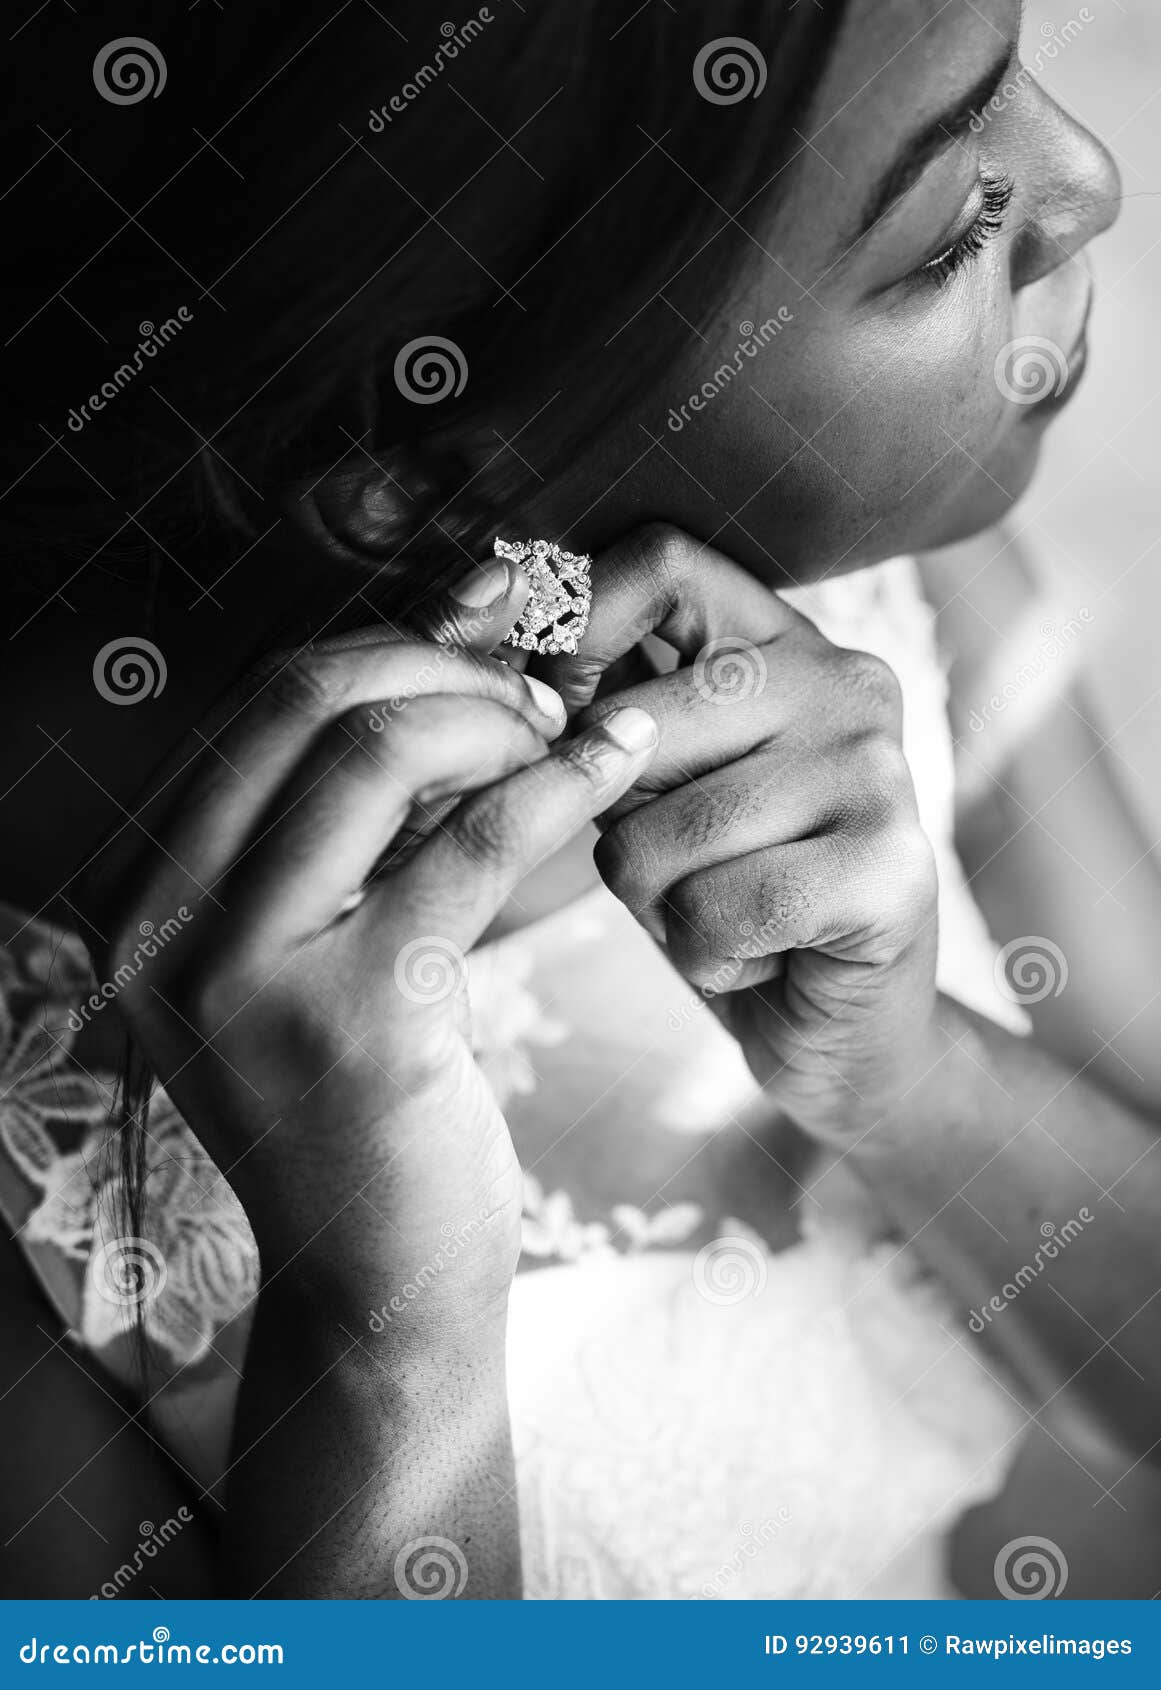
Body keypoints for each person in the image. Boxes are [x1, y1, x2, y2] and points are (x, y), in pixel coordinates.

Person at [1, 0, 1158, 1599]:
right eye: (946, 225)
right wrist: (382, 1334)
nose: (1088, 175)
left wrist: (907, 1078)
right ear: (416, 474)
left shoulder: (880, 587)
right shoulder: (48, 1144)